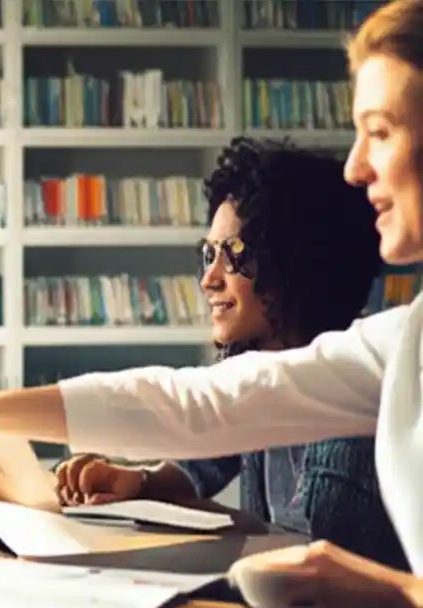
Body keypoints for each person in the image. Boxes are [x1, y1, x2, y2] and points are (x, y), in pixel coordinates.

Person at [0, 0, 423, 608]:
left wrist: (402, 595)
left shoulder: (374, 374)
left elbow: (322, 550)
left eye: (381, 131)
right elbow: (195, 407)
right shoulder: (398, 342)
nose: (354, 166)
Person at [53, 138, 409, 571]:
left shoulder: (364, 384)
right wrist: (137, 481)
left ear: (296, 262)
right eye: (208, 254)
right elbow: (203, 452)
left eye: (233, 254)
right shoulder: (256, 369)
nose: (208, 279)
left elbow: (335, 557)